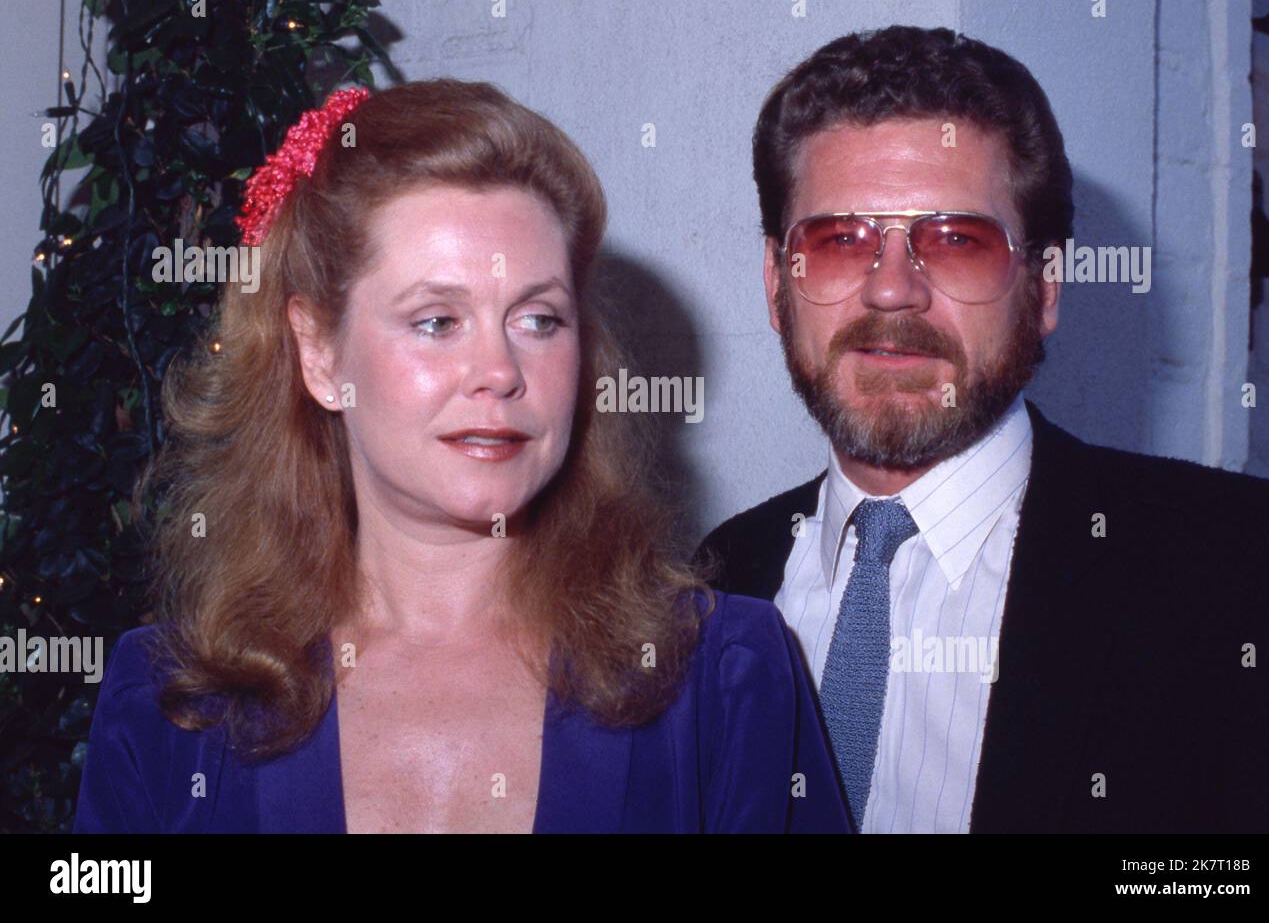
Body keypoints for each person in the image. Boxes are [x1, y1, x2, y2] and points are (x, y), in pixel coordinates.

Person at [74, 80, 850, 834]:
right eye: (438, 320)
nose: (502, 371)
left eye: (539, 319)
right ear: (317, 352)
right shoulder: (168, 700)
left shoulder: (727, 675)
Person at [695, 25, 1269, 833]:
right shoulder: (707, 585)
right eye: (841, 241)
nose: (892, 291)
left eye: (956, 242)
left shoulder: (1254, 576)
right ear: (778, 284)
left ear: (1045, 287)